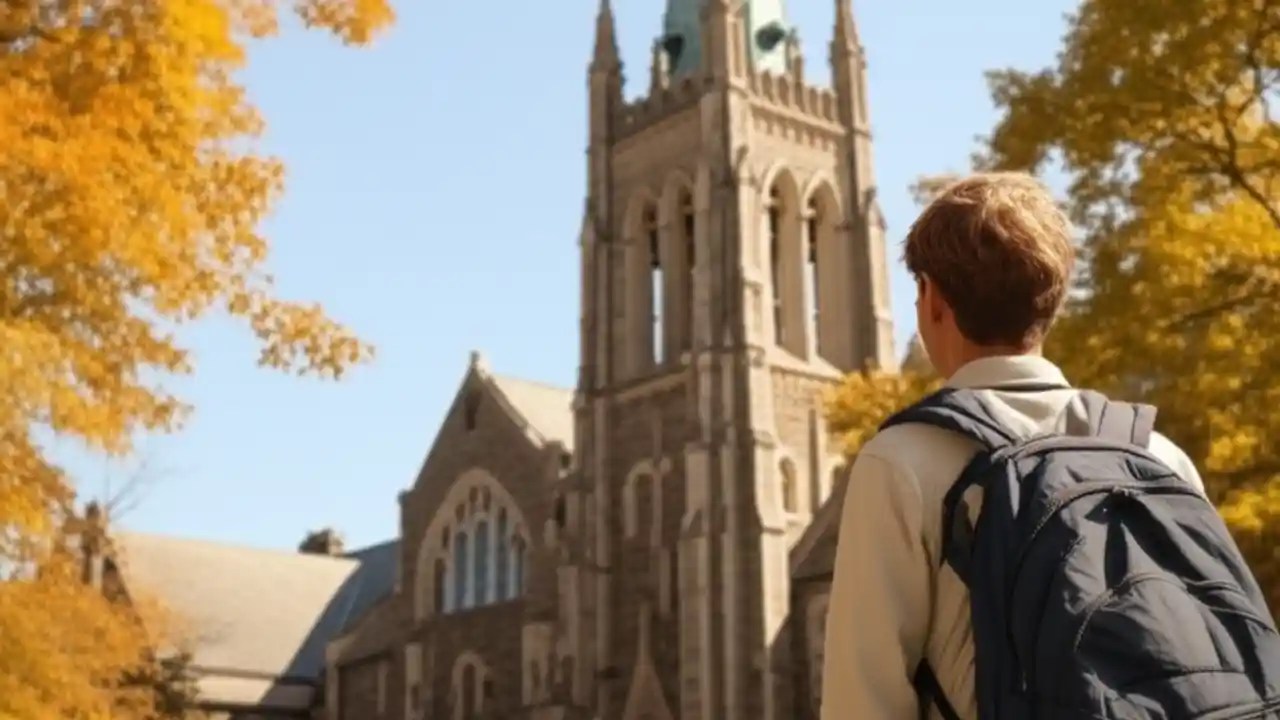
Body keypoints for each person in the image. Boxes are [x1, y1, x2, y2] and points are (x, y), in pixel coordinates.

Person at [819, 172, 1207, 718]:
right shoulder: (1159, 458)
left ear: (932, 300)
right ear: (1053, 300)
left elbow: (863, 700)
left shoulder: (903, 462)